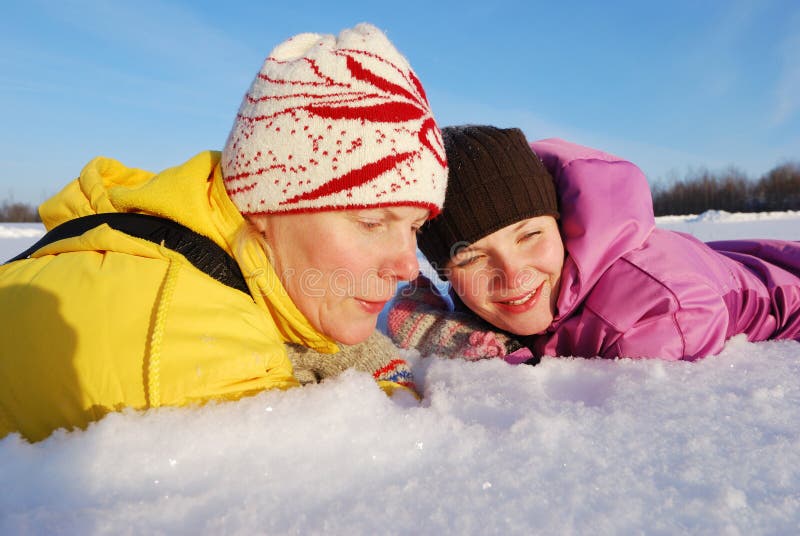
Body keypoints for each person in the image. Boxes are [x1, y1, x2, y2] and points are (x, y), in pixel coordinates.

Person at [0, 24, 448, 442]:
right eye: (371, 223)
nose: (409, 266)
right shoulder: (196, 345)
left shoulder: (184, 238)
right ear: (263, 208)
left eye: (413, 226)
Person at [387, 125, 800, 363]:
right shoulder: (491, 289)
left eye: (530, 236)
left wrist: (468, 343)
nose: (512, 274)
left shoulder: (657, 315)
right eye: (472, 257)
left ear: (562, 225)